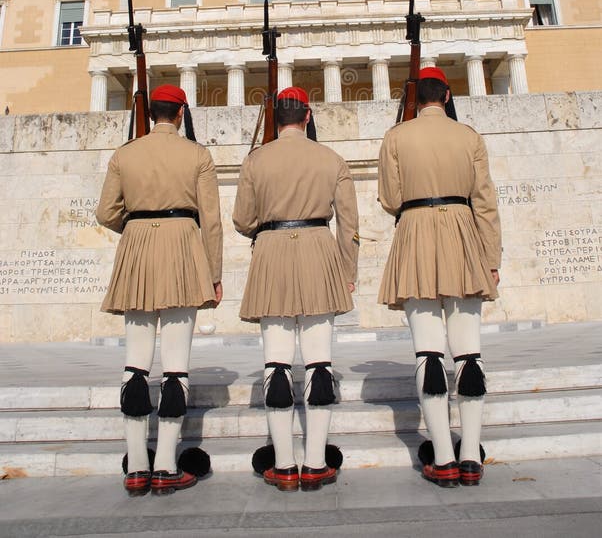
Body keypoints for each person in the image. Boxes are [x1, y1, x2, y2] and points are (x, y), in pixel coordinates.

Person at [377, 66, 502, 487]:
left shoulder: (396, 137)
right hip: (464, 234)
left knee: (427, 353)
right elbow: (485, 202)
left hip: (415, 231)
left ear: (414, 99)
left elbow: (391, 199)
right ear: (447, 96)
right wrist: (491, 258)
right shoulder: (469, 136)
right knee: (469, 352)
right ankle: (470, 456)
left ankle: (443, 457)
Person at [97, 84, 223, 497]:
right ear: (182, 112)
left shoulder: (124, 153)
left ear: (151, 114)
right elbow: (212, 220)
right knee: (175, 365)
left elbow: (105, 212)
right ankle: (167, 466)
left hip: (136, 249)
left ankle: (136, 468)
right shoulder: (197, 154)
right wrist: (215, 272)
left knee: (135, 363)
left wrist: (134, 228)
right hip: (183, 246)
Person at [233, 86, 359, 493]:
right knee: (320, 362)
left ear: (276, 120)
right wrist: (347, 269)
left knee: (277, 364)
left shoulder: (256, 160)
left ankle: (284, 465)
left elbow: (241, 219)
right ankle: (317, 462)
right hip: (320, 251)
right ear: (307, 117)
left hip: (272, 253)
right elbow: (350, 225)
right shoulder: (332, 159)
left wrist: (268, 229)